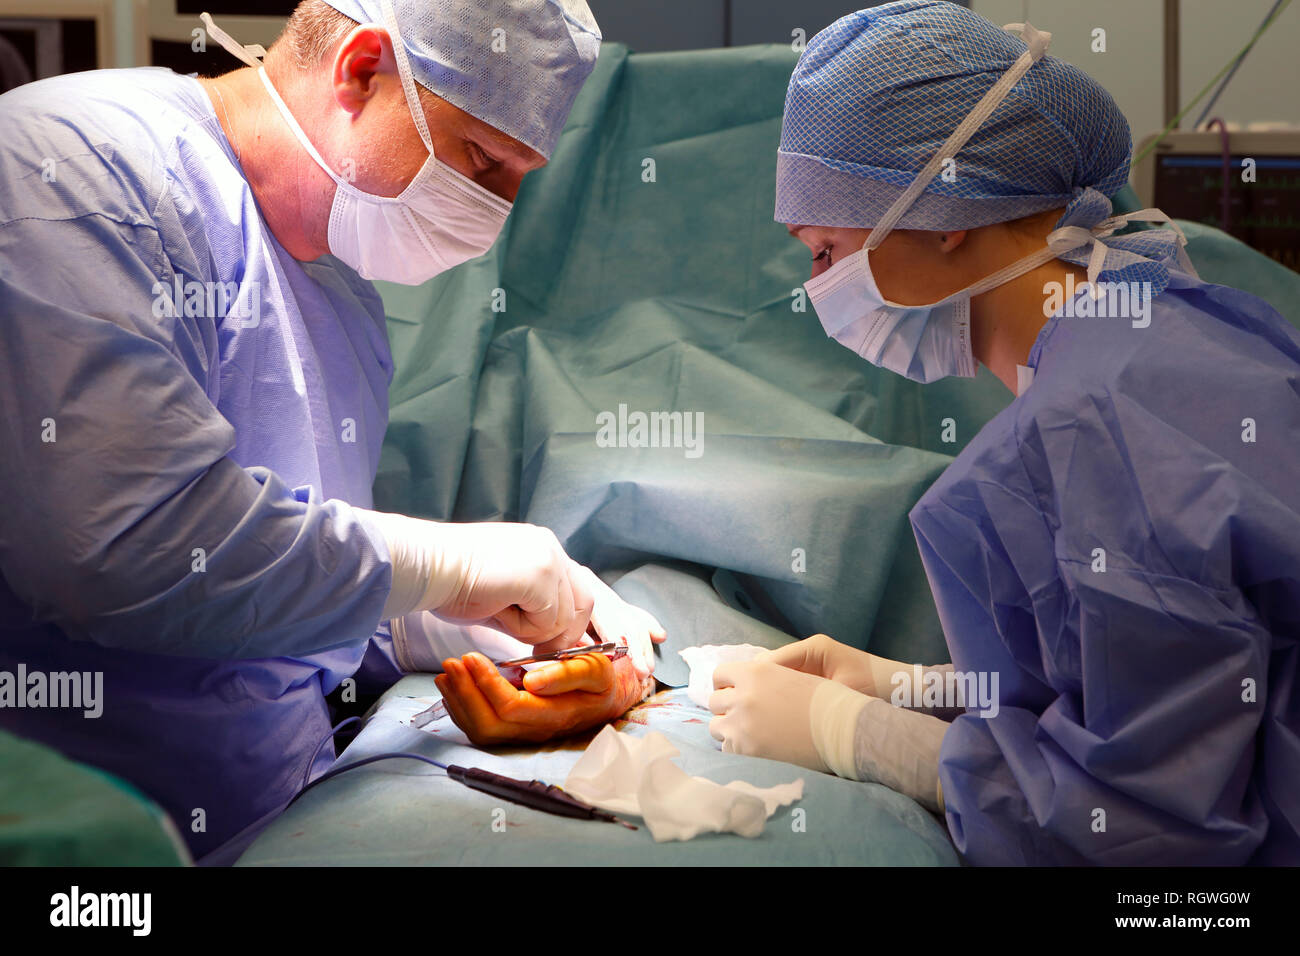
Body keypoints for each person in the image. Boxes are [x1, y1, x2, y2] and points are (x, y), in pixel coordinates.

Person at [0, 0, 663, 863]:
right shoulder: (68, 173)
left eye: (521, 175)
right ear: (359, 70)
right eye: (484, 161)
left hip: (282, 810)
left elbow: (285, 578)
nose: (499, 209)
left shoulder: (341, 299)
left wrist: (483, 621)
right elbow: (122, 548)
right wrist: (450, 566)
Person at [707, 1, 1299, 865]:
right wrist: (920, 688)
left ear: (945, 214)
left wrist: (865, 736)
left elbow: (1156, 838)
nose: (817, 286)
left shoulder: (1101, 424)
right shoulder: (1167, 333)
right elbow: (1169, 682)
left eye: (826, 250)